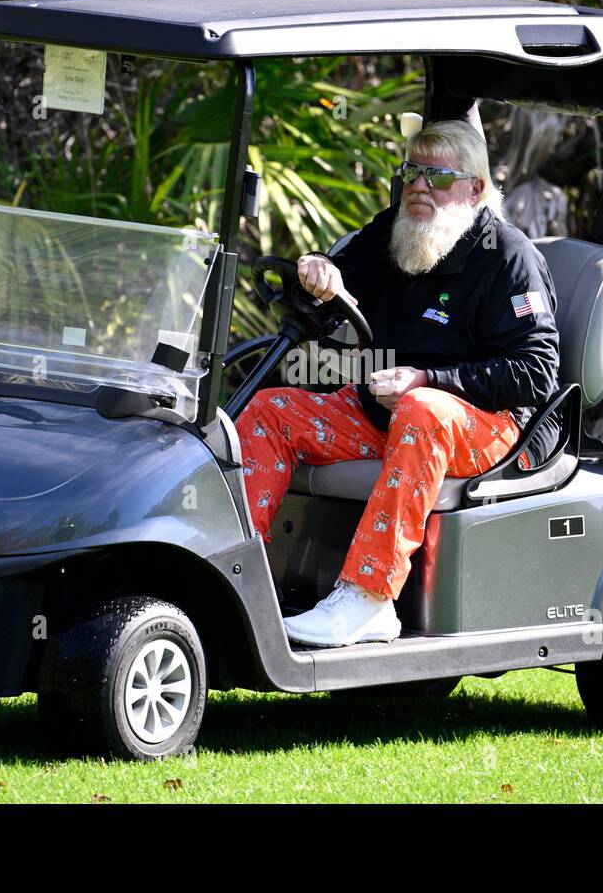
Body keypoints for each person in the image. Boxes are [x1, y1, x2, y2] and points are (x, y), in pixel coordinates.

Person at [234, 119, 561, 647]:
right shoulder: (395, 233)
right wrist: (320, 272)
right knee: (271, 410)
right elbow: (339, 279)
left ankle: (369, 599)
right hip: (387, 414)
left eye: (437, 175)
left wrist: (427, 378)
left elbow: (537, 371)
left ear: (475, 189)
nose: (418, 186)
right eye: (412, 172)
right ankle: (238, 582)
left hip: (493, 426)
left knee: (423, 410)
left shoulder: (508, 257)